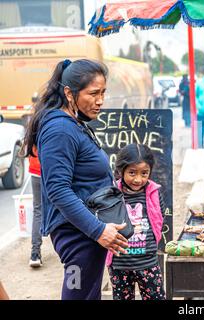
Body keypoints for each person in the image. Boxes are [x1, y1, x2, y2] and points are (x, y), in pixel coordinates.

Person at [22, 59, 129, 300]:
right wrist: (98, 230)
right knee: (77, 293)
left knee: (88, 295)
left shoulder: (73, 124)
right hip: (78, 235)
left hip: (87, 232)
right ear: (69, 93)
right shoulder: (59, 129)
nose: (100, 100)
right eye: (93, 93)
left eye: (103, 92)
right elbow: (58, 190)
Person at [107, 144, 166, 300]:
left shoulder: (154, 192)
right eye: (132, 173)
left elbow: (159, 219)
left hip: (148, 262)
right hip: (119, 265)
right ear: (121, 171)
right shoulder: (112, 194)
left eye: (144, 173)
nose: (138, 179)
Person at [28, 146, 43, 268]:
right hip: (51, 171)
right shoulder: (52, 126)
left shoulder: (31, 127)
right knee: (63, 207)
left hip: (35, 170)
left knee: (38, 211)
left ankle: (35, 253)